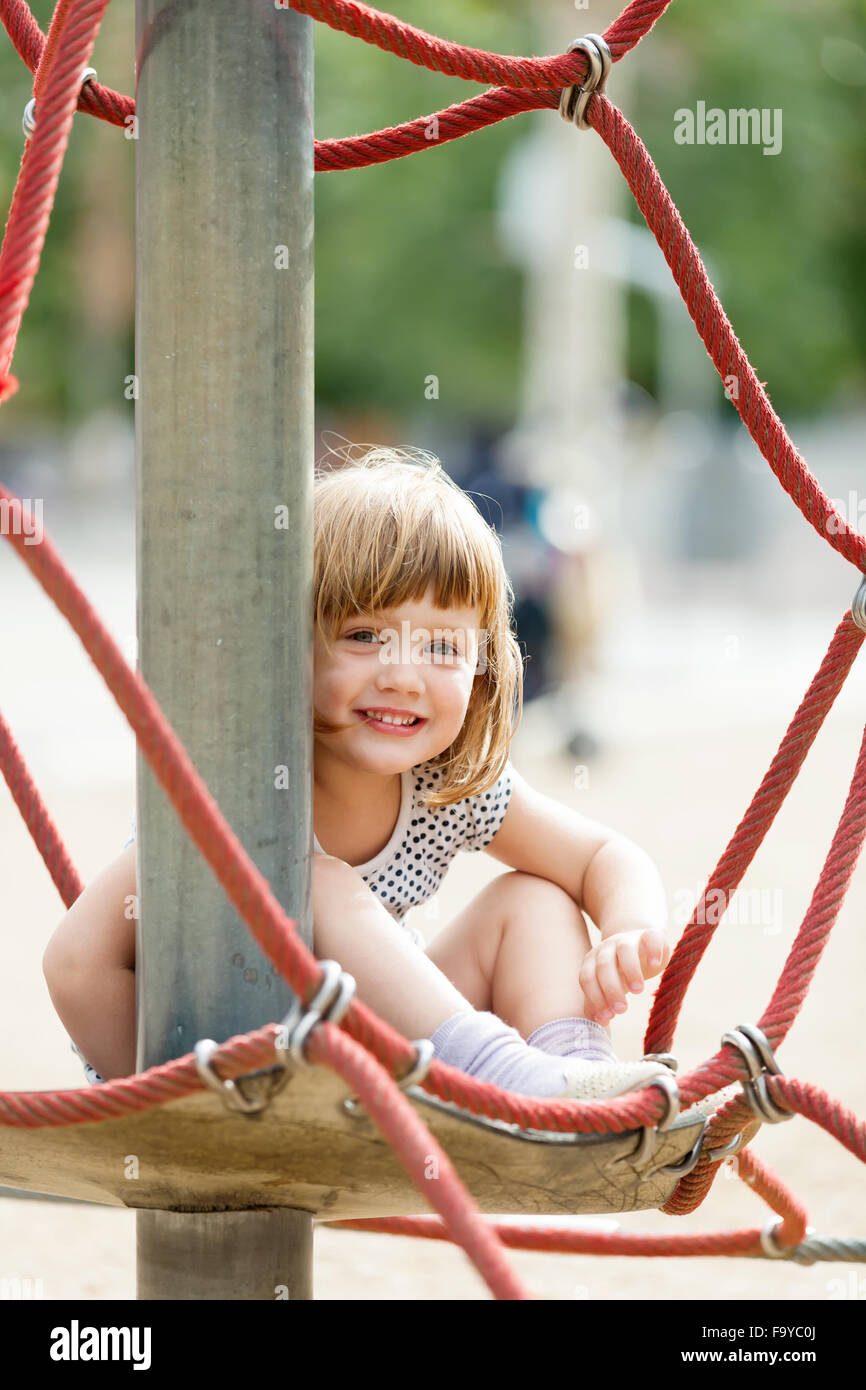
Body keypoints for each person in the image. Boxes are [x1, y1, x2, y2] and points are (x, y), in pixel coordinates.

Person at [43, 444, 673, 1101]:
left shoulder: (443, 784)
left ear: (482, 665)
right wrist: (168, 1108)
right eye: (364, 636)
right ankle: (507, 1078)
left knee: (537, 897)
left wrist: (628, 929)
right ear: (290, 645)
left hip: (353, 1063)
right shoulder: (241, 792)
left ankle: (571, 1078)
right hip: (225, 1070)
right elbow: (77, 964)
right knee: (315, 881)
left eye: (441, 647)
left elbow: (603, 855)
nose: (402, 676)